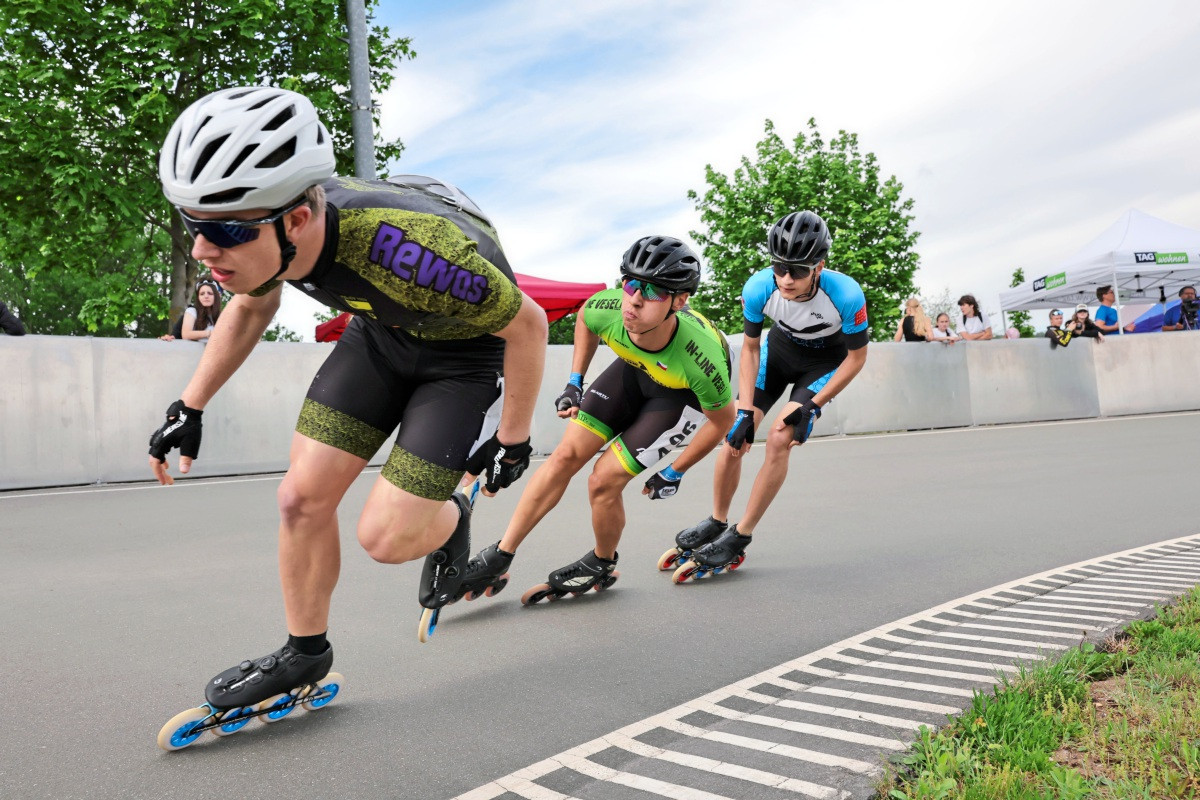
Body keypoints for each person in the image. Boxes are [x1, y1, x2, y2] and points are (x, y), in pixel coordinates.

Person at [147, 87, 547, 712]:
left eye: (223, 229)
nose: (202, 250)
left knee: (386, 539)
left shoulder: (416, 255)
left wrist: (515, 439)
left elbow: (528, 326)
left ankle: (452, 519)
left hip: (462, 357)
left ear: (298, 219)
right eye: (194, 225)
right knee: (299, 499)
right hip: (380, 335)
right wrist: (188, 405)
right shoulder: (275, 235)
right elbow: (254, 303)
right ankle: (305, 653)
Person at [456, 236, 735, 603]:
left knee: (602, 482)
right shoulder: (609, 308)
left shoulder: (703, 362)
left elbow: (722, 421)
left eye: (652, 291)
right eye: (631, 283)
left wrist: (675, 471)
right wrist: (575, 381)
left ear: (679, 301)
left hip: (678, 392)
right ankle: (501, 555)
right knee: (564, 456)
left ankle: (602, 561)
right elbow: (585, 320)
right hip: (635, 368)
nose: (634, 298)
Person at [672, 211, 869, 578]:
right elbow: (749, 349)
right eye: (779, 267)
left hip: (824, 362)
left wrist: (814, 404)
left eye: (796, 270)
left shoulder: (846, 294)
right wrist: (744, 412)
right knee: (736, 434)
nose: (786, 279)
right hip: (778, 353)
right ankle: (717, 520)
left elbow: (856, 359)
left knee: (780, 437)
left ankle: (740, 535)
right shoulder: (758, 287)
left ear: (819, 266)